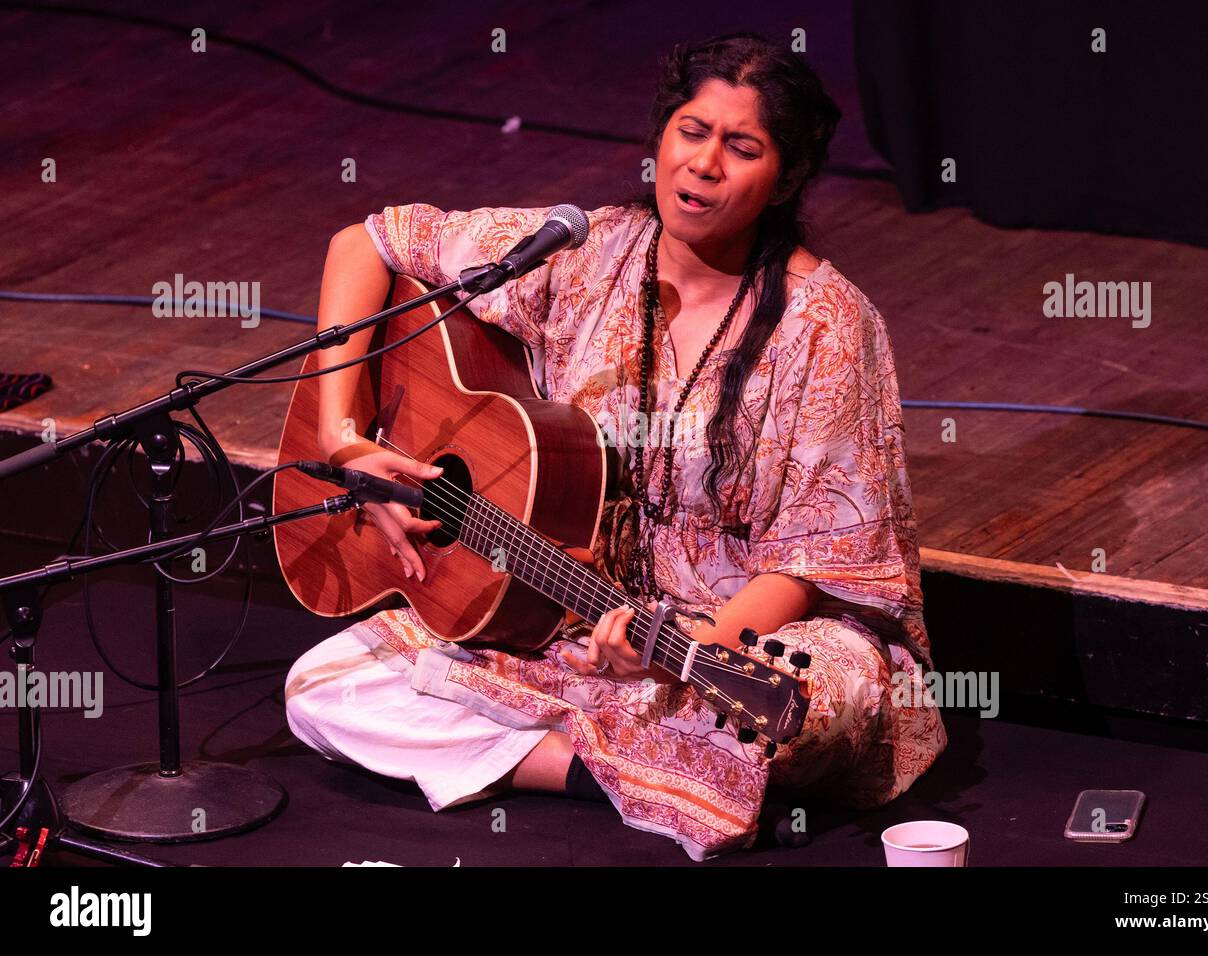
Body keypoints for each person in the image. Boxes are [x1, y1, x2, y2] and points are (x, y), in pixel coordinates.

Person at [284, 32, 946, 861]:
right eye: (690, 132)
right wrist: (345, 444)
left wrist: (710, 641)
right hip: (564, 614)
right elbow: (366, 243)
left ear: (787, 180)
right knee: (320, 690)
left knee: (813, 702)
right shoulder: (588, 251)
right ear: (660, 139)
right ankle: (615, 771)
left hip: (740, 637)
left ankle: (628, 749)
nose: (704, 164)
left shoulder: (828, 328)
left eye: (741, 147)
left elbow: (826, 555)